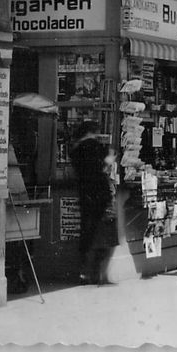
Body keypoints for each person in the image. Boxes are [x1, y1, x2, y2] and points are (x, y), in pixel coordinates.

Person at [70, 121, 117, 285]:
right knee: (102, 232)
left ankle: (85, 273)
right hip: (99, 194)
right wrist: (109, 159)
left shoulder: (76, 149)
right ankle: (97, 273)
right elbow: (102, 166)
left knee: (87, 231)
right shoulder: (94, 146)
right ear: (92, 132)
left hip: (85, 194)